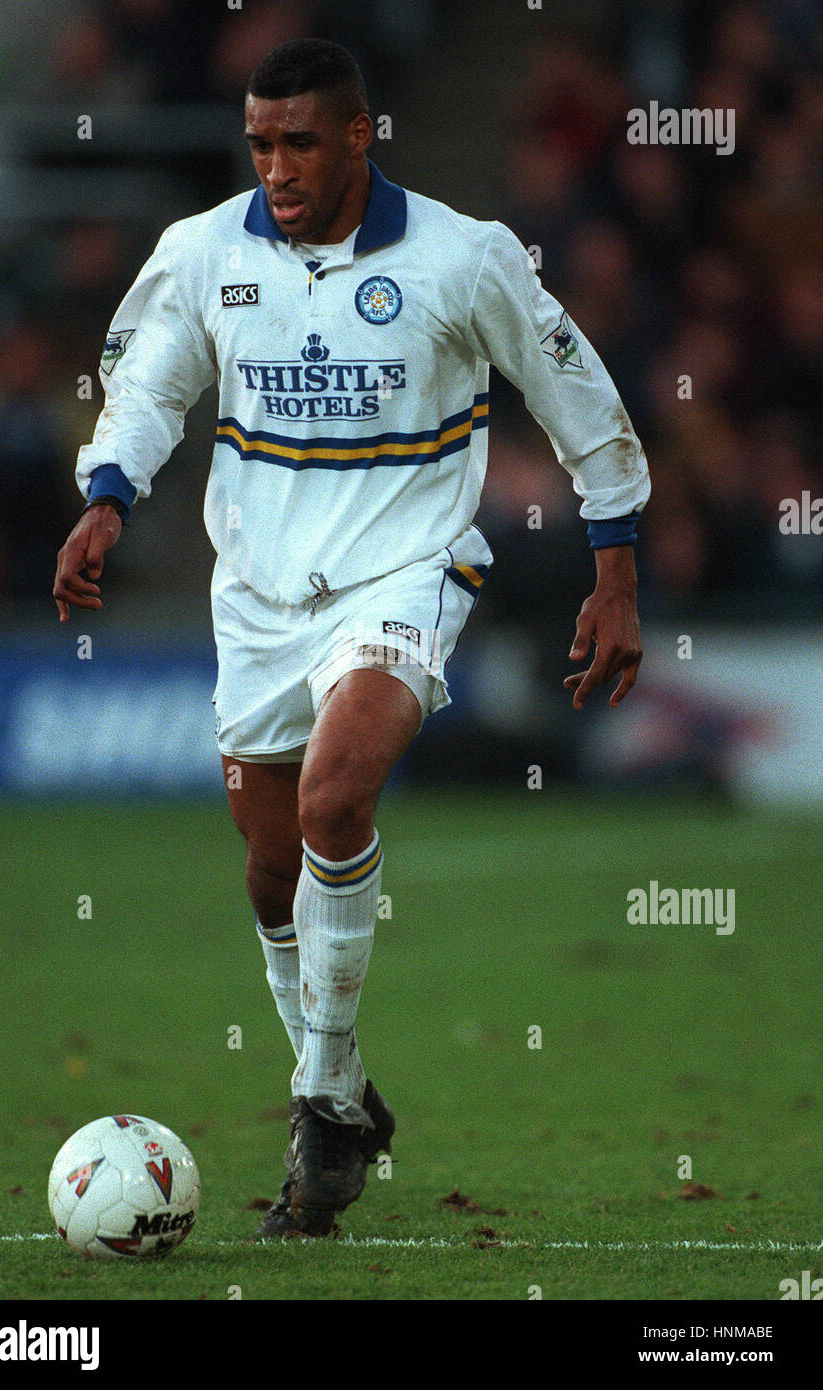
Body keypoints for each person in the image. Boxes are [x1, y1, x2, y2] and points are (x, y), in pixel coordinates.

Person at [53, 37, 649, 1238]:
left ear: (361, 136)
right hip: (259, 594)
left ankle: (319, 1114)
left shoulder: (461, 256)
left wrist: (616, 570)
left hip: (404, 568)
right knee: (270, 869)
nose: (273, 165)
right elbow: (151, 383)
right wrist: (108, 496)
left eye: (299, 142)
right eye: (259, 143)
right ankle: (338, 1084)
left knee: (334, 801)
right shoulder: (203, 254)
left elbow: (574, 391)